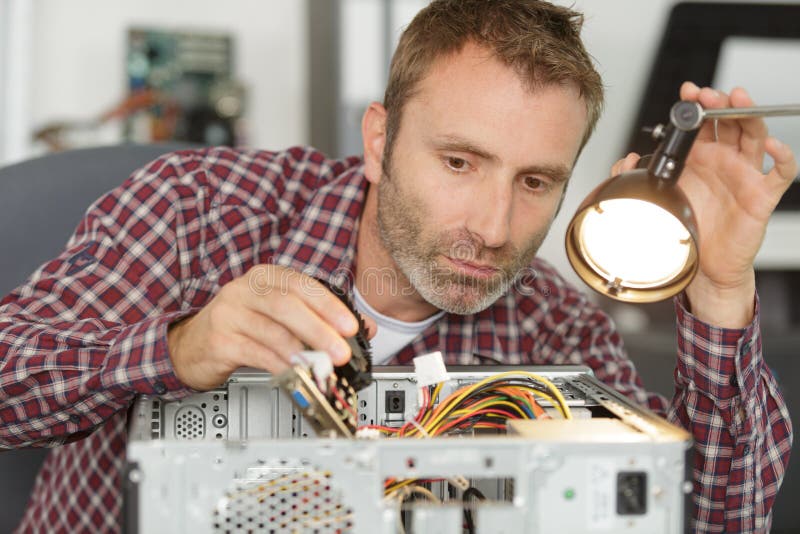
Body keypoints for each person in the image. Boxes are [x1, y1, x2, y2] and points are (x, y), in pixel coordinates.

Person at [0, 1, 793, 532]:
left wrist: (721, 289)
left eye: (534, 182)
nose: (490, 227)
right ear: (379, 140)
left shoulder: (557, 326)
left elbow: (714, 518)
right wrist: (176, 351)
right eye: (458, 162)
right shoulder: (197, 212)